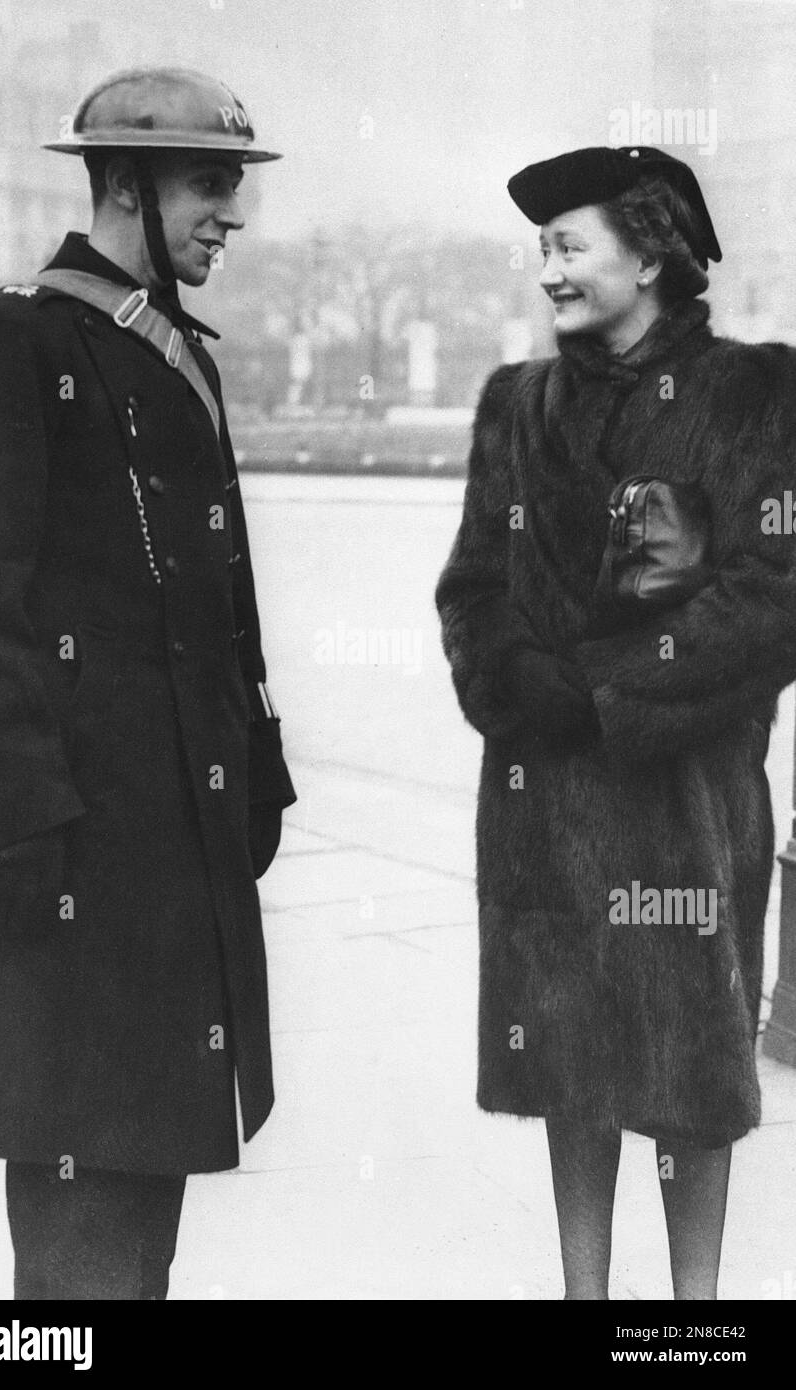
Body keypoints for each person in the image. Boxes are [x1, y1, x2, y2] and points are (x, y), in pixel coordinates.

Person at [0, 66, 296, 1300]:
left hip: (172, 864)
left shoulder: (171, 359)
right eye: (210, 184)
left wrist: (262, 779)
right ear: (129, 184)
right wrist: (24, 830)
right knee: (81, 1233)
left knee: (144, 1210)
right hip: (74, 870)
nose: (230, 215)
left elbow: (225, 613)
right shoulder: (11, 341)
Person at [436, 145, 796, 1300]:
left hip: (683, 812)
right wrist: (508, 680)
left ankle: (696, 1321)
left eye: (569, 244)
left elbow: (770, 595)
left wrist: (608, 692)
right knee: (572, 1075)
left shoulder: (757, 395)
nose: (547, 270)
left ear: (649, 251)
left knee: (691, 1081)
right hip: (544, 810)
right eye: (542, 248)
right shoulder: (518, 404)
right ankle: (582, 1301)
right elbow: (471, 590)